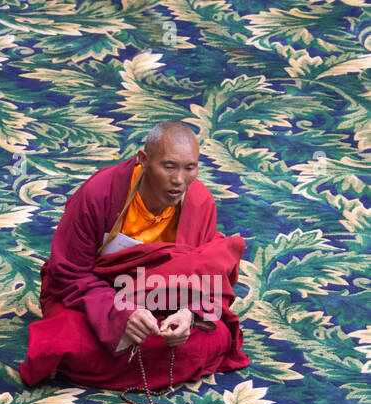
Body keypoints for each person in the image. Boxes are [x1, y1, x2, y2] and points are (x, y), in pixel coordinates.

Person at [19, 120, 249, 389]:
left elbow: (205, 275)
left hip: (163, 301)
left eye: (190, 168)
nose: (179, 180)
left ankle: (147, 349)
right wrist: (120, 314)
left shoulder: (200, 202)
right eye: (169, 166)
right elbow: (68, 273)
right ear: (143, 160)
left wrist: (188, 314)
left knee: (214, 336)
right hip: (97, 299)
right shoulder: (99, 193)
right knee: (65, 340)